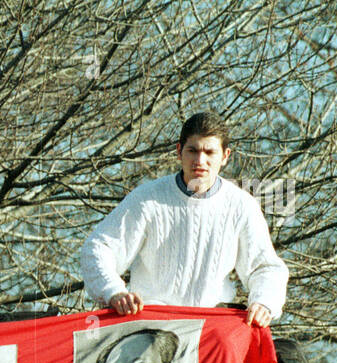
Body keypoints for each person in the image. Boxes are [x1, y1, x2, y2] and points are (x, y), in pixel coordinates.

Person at [79, 111, 289, 330]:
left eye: (209, 152)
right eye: (193, 151)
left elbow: (266, 267)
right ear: (179, 151)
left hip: (213, 325)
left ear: (225, 156)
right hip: (150, 322)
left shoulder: (241, 206)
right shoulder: (147, 199)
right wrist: (114, 292)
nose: (200, 161)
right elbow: (99, 248)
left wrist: (264, 302)